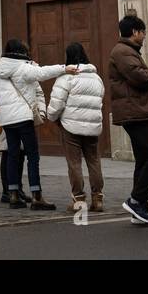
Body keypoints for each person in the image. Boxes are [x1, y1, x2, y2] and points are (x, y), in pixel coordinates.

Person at [0, 38, 73, 210]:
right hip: (23, 117)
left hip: (7, 119)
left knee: (12, 155)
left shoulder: (0, 69)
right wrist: (64, 68)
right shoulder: (22, 68)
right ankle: (37, 196)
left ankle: (13, 194)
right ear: (21, 51)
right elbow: (43, 73)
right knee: (33, 156)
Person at [107, 14, 148, 225]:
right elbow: (140, 78)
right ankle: (135, 201)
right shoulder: (123, 51)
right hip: (134, 113)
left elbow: (141, 81)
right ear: (135, 32)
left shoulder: (127, 51)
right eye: (143, 32)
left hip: (136, 110)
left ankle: (140, 209)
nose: (144, 36)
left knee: (144, 159)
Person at [45, 42, 105, 212]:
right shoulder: (96, 77)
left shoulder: (66, 77)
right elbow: (101, 98)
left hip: (71, 126)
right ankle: (98, 198)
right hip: (93, 127)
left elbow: (56, 105)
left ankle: (79, 200)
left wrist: (51, 117)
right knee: (94, 161)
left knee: (74, 163)